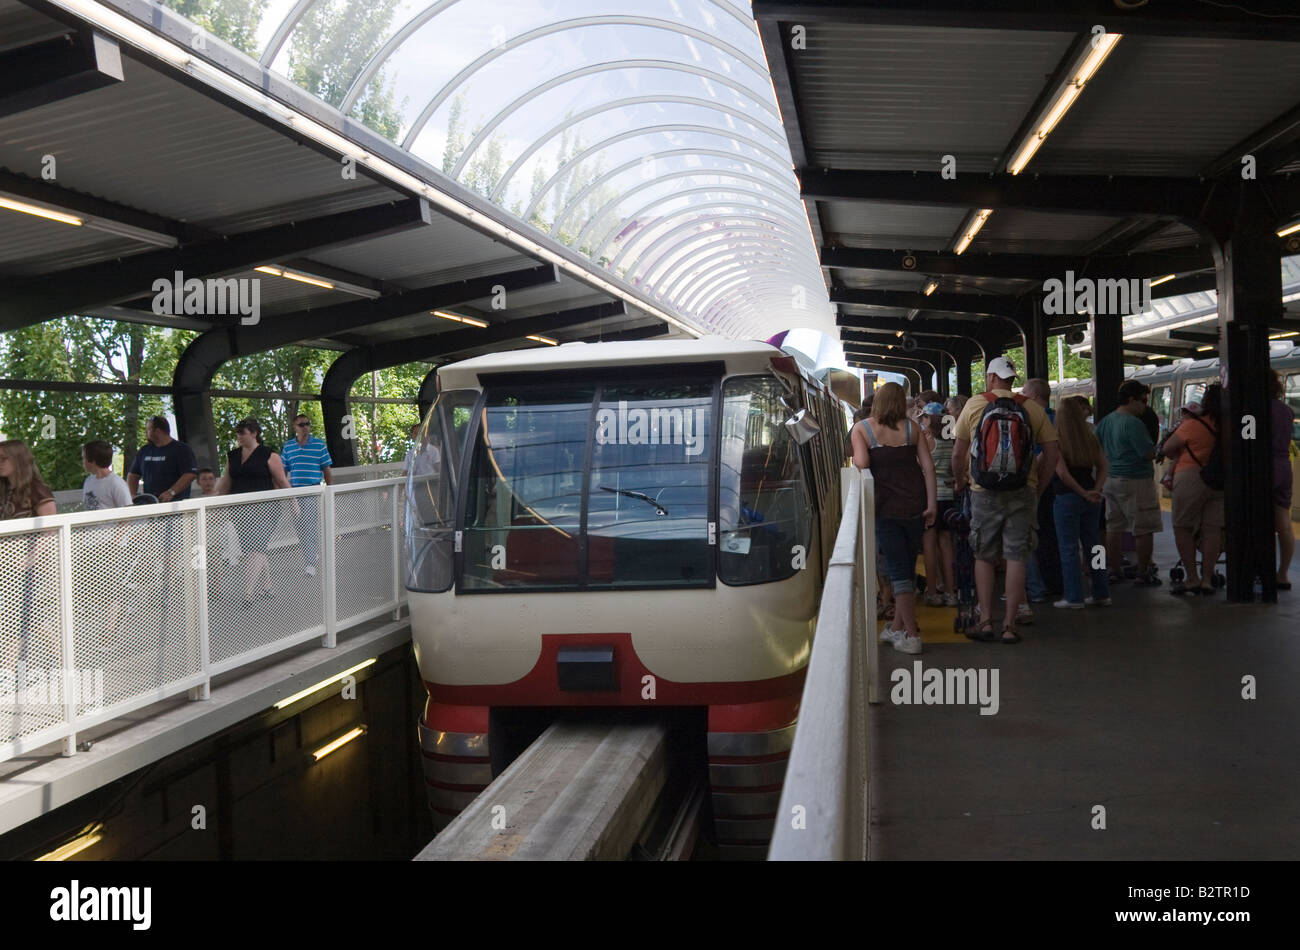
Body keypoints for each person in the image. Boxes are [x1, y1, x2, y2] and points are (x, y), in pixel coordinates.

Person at [952, 356, 1059, 644]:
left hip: (983, 491)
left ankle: (986, 622)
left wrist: (961, 479)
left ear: (990, 378)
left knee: (984, 557)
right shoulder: (1031, 407)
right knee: (1016, 556)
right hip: (1023, 491)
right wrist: (1039, 485)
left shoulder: (975, 405)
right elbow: (1052, 452)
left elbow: (958, 452)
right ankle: (1010, 626)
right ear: (1013, 379)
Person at [851, 382, 937, 655]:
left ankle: (911, 636)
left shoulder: (862, 429)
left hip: (885, 507)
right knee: (906, 566)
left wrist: (858, 458)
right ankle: (896, 628)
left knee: (899, 570)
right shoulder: (913, 429)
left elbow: (862, 463)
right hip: (915, 504)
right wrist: (932, 503)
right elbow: (928, 467)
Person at [1160, 385, 1226, 595]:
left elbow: (1167, 448)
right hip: (1219, 480)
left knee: (1182, 526)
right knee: (1212, 530)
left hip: (1191, 477)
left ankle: (1192, 578)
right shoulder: (1228, 425)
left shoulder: (1192, 424)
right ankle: (1207, 579)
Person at [217, 419, 291, 606]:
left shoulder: (269, 455)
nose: (239, 436)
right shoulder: (232, 456)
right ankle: (267, 586)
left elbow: (282, 481)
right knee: (255, 549)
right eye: (238, 432)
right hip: (240, 511)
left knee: (255, 549)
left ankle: (248, 594)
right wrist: (215, 503)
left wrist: (295, 503)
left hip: (265, 510)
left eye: (242, 432)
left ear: (254, 433)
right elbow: (226, 482)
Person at [1096, 380, 1162, 587]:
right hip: (1136, 480)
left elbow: (1096, 447)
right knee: (1143, 528)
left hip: (1111, 480)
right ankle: (1143, 572)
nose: (1144, 405)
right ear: (1132, 399)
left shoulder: (1106, 421)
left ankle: (1114, 570)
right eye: (1143, 400)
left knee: (1114, 527)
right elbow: (1147, 453)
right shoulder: (1133, 423)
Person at [0, 440, 57, 672]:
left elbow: (51, 529)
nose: (0, 463)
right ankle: (61, 658)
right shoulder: (4, 489)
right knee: (29, 619)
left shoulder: (37, 490)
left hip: (30, 567)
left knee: (16, 619)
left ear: (18, 460)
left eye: (4, 459)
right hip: (7, 564)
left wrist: (30, 559)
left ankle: (7, 670)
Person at [1050, 397, 1110, 608]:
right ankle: (1101, 592)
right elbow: (1104, 466)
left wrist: (1082, 492)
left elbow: (1062, 474)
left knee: (1069, 549)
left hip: (1067, 498)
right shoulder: (1090, 438)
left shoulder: (1056, 440)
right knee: (1095, 547)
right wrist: (1096, 489)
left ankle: (1074, 596)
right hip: (1093, 499)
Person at [1019, 378, 1062, 611]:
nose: (1022, 396)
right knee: (1061, 537)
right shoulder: (1060, 420)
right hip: (1068, 489)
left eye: (1025, 392)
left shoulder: (1034, 419)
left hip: (1041, 485)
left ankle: (1035, 588)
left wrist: (1037, 485)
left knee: (1031, 538)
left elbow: (1047, 456)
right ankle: (1094, 578)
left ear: (1035, 396)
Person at [281, 414, 334, 577]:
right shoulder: (288, 446)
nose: (305, 427)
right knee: (300, 528)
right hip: (295, 492)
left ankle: (310, 563)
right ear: (294, 427)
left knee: (309, 525)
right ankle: (313, 553)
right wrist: (285, 490)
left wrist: (331, 491)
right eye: (301, 424)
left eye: (307, 424)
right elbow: (283, 471)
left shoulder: (319, 445)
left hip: (312, 490)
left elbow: (326, 469)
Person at [920, 401, 957, 607]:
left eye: (924, 417)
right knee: (946, 544)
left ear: (929, 419)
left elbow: (922, 468)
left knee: (929, 546)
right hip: (948, 496)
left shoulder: (927, 442)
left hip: (930, 497)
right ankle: (951, 592)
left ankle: (933, 591)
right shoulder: (951, 440)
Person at [127, 416, 198, 502]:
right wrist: (132, 495)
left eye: (148, 430)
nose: (146, 433)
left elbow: (190, 474)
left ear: (158, 431)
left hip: (176, 505)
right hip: (151, 504)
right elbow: (133, 475)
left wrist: (171, 492)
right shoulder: (144, 450)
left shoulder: (181, 449)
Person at [1269, 371, 1295, 590]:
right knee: (1284, 524)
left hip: (1262, 468)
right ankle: (1283, 573)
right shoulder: (1286, 411)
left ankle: (1261, 568)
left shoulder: (1251, 411)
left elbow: (1248, 438)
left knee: (1259, 520)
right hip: (1283, 466)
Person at [80, 441, 132, 511]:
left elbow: (127, 512)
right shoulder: (88, 481)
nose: (83, 461)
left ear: (92, 460)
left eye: (84, 458)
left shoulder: (116, 483)